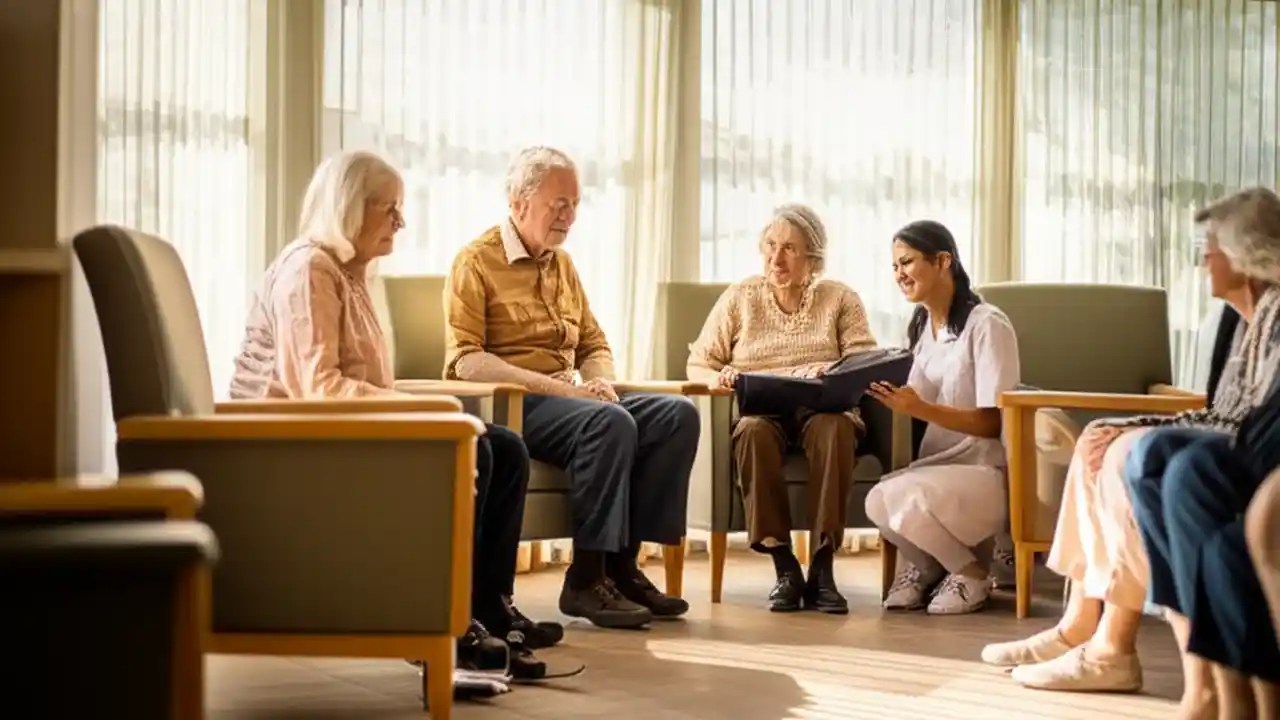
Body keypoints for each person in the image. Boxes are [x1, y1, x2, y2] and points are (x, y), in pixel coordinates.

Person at [229, 150, 560, 679]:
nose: (401, 223)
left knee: (506, 446)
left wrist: (432, 407)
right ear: (349, 209)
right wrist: (432, 409)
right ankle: (445, 621)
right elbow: (318, 389)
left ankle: (485, 606)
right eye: (391, 210)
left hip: (333, 435)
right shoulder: (310, 268)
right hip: (290, 451)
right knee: (473, 442)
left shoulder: (351, 274)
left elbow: (370, 385)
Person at [983, 187, 1280, 694]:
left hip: (1254, 465)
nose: (1204, 257)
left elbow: (1252, 425)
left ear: (1246, 255)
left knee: (1126, 455)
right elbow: (1220, 413)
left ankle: (1112, 648)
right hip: (1232, 449)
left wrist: (1143, 432)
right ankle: (1079, 625)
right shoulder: (1238, 320)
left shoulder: (1273, 319)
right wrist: (1136, 423)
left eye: (1212, 246)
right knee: (1101, 437)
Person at [443, 145, 699, 629]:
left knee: (676, 415)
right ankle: (585, 579)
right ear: (519, 202)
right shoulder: (474, 262)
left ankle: (622, 569)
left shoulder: (562, 264)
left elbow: (593, 341)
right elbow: (466, 363)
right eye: (558, 204)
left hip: (574, 401)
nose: (569, 216)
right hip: (518, 404)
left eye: (575, 204)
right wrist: (567, 392)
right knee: (610, 422)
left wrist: (597, 379)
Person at [686, 203, 876, 614]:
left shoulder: (840, 298)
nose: (777, 258)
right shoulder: (741, 297)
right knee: (751, 432)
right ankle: (785, 566)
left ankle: (823, 567)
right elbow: (699, 361)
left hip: (822, 406)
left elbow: (864, 363)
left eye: (790, 248)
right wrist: (715, 378)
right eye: (771, 245)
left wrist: (828, 368)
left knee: (835, 428)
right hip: (763, 407)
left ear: (814, 257)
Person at [863, 220, 1021, 615]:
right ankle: (930, 568)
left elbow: (994, 423)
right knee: (877, 500)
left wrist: (921, 409)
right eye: (894, 266)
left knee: (902, 495)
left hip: (986, 473)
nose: (899, 274)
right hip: (941, 468)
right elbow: (916, 397)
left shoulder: (987, 324)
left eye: (908, 262)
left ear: (943, 261)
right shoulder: (921, 326)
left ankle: (970, 575)